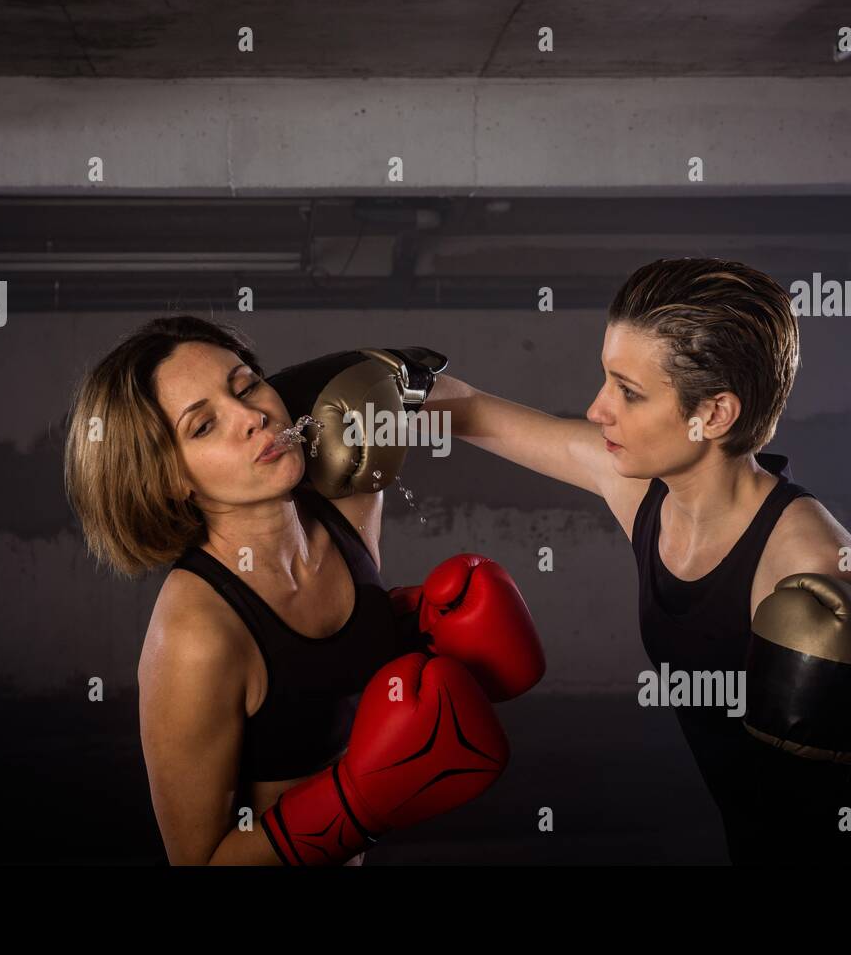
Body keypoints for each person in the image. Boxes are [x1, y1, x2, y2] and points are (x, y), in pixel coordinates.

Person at [423, 257, 851, 864]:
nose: (598, 408)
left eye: (628, 392)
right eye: (607, 378)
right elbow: (471, 411)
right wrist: (377, 388)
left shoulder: (803, 554)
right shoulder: (640, 489)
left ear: (713, 414)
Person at [62, 315, 543, 865]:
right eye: (202, 426)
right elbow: (199, 862)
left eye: (246, 385)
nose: (251, 417)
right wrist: (357, 804)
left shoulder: (349, 505)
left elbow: (395, 378)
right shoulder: (198, 632)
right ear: (169, 480)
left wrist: (415, 624)